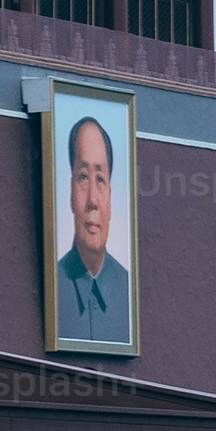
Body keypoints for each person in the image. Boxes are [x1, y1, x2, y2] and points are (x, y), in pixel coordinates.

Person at [54, 112, 129, 343]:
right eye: (83, 177)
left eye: (100, 180)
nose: (92, 201)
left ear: (110, 197)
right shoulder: (53, 284)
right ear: (70, 193)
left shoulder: (129, 291)